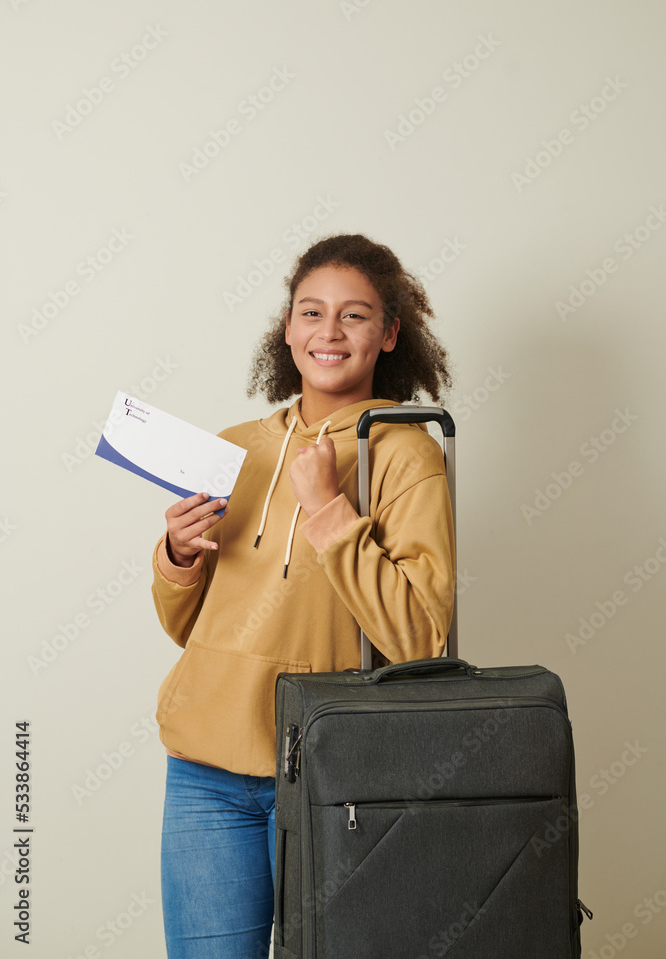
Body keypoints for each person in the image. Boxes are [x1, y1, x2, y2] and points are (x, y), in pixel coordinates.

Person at [153, 233, 456, 959]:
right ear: (285, 328)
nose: (327, 332)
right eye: (310, 312)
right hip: (204, 770)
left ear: (388, 334)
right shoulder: (235, 445)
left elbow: (418, 635)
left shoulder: (404, 450)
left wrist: (327, 509)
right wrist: (176, 557)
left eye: (353, 316)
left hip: (329, 771)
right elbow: (185, 626)